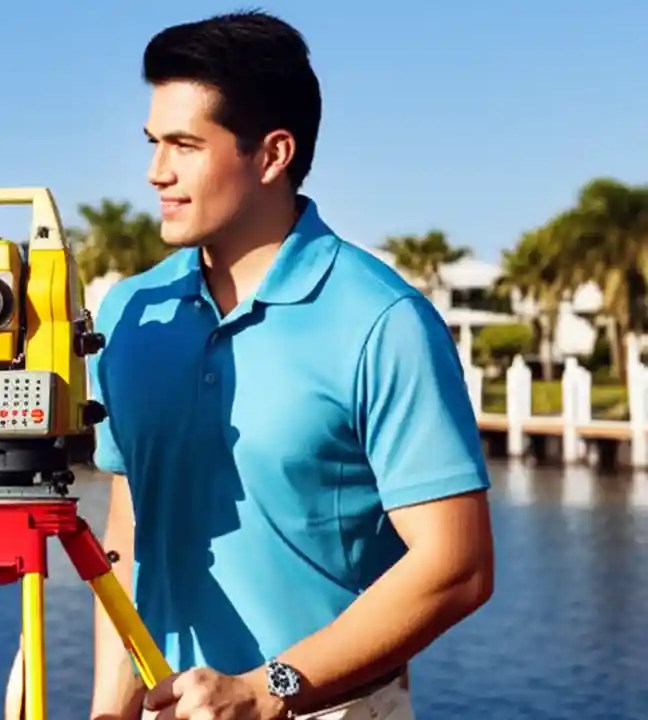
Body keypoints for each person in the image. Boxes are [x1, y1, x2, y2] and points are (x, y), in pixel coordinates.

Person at [80, 11, 495, 720]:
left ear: (271, 155)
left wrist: (266, 689)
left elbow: (457, 565)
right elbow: (128, 535)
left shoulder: (382, 320)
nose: (156, 172)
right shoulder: (129, 313)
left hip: (324, 707)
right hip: (170, 704)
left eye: (184, 145)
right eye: (153, 143)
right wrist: (110, 710)